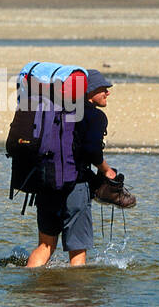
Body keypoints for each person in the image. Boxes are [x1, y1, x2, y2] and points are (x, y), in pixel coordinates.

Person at [25, 69, 117, 268]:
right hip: (75, 185)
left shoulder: (55, 110)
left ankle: (29, 290)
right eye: (103, 88)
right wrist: (107, 170)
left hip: (45, 182)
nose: (108, 92)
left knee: (45, 245)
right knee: (77, 250)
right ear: (89, 91)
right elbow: (92, 150)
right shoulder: (95, 116)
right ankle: (76, 296)